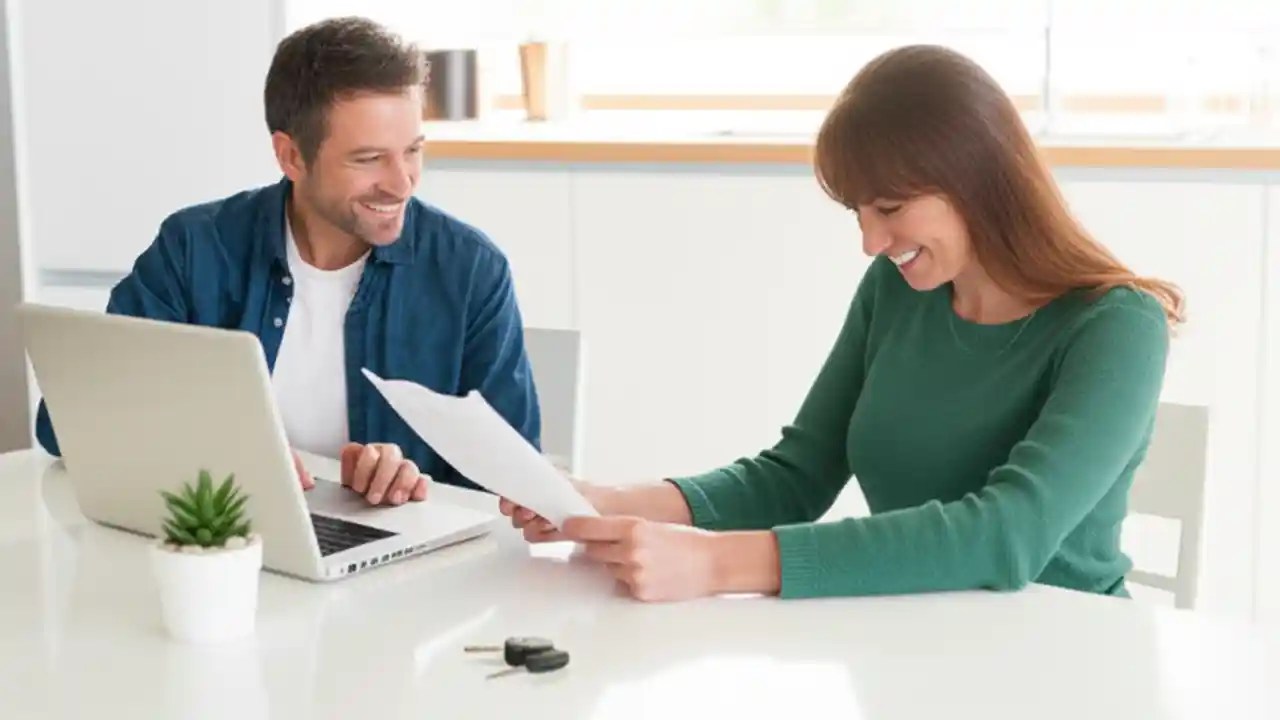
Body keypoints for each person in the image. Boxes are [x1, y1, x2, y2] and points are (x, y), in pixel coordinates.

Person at [502, 44, 1184, 602]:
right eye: (859, 211)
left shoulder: (1118, 327)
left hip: (1068, 663)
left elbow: (1007, 534)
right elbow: (794, 477)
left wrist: (715, 564)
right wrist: (607, 501)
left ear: (976, 178)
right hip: (904, 645)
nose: (871, 241)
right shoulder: (897, 289)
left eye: (889, 207)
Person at [34, 17, 540, 505]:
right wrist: (211, 450)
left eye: (412, 150)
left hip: (399, 562)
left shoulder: (470, 271)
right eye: (369, 159)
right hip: (225, 540)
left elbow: (513, 482)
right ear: (291, 156)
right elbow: (66, 427)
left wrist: (415, 484)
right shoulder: (195, 248)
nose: (402, 181)